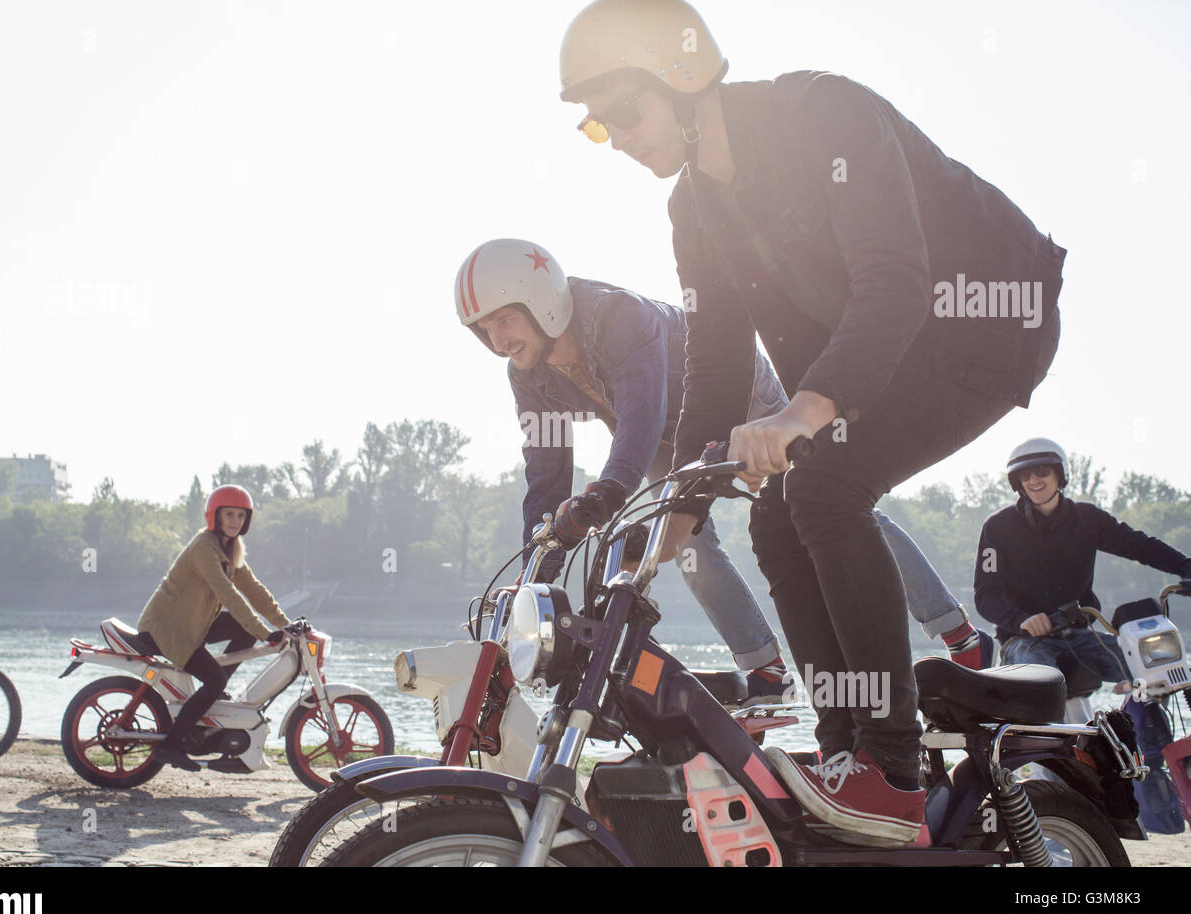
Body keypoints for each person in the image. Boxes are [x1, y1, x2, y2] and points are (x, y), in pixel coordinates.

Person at [558, 0, 1066, 844]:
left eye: (629, 111)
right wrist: (676, 520)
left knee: (824, 484)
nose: (621, 136)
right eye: (602, 127)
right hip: (882, 345)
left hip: (986, 323)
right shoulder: (694, 211)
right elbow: (715, 368)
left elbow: (895, 281)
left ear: (682, 80)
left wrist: (803, 411)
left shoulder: (826, 115)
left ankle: (894, 771)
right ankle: (844, 754)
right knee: (775, 511)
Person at [457, 238, 992, 708]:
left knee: (827, 502)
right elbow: (546, 475)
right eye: (485, 329)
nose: (498, 340)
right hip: (670, 434)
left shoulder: (618, 316)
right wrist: (537, 568)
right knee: (687, 545)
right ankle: (765, 669)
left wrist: (609, 492)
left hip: (733, 393)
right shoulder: (528, 373)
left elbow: (639, 416)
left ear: (542, 300)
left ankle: (958, 634)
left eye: (505, 320)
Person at [975, 438, 1191, 680]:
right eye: (1024, 476)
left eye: (1041, 471)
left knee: (1158, 665)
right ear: (1017, 483)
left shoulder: (1088, 519)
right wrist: (1022, 620)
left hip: (1079, 634)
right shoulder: (998, 527)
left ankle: (1144, 717)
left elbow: (1140, 546)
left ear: (1060, 474)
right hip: (1024, 641)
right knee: (1039, 682)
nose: (1033, 480)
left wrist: (1184, 566)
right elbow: (986, 596)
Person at [138, 484, 292, 770]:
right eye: (229, 515)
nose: (235, 521)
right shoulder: (203, 548)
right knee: (214, 680)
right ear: (215, 517)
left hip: (193, 623)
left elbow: (254, 590)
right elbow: (228, 594)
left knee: (241, 633)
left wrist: (285, 623)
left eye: (240, 516)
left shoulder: (230, 549)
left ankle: (212, 697)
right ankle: (170, 747)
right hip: (169, 628)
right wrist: (265, 632)